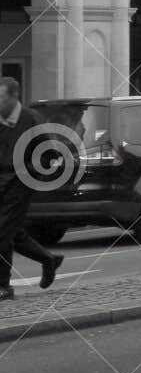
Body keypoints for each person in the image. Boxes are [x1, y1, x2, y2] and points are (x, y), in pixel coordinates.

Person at [0, 77, 65, 301]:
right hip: (1, 181)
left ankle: (4, 287)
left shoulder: (31, 120)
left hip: (19, 184)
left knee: (2, 232)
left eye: (1, 98)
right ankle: (48, 259)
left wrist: (26, 172)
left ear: (14, 97)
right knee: (12, 233)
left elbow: (50, 156)